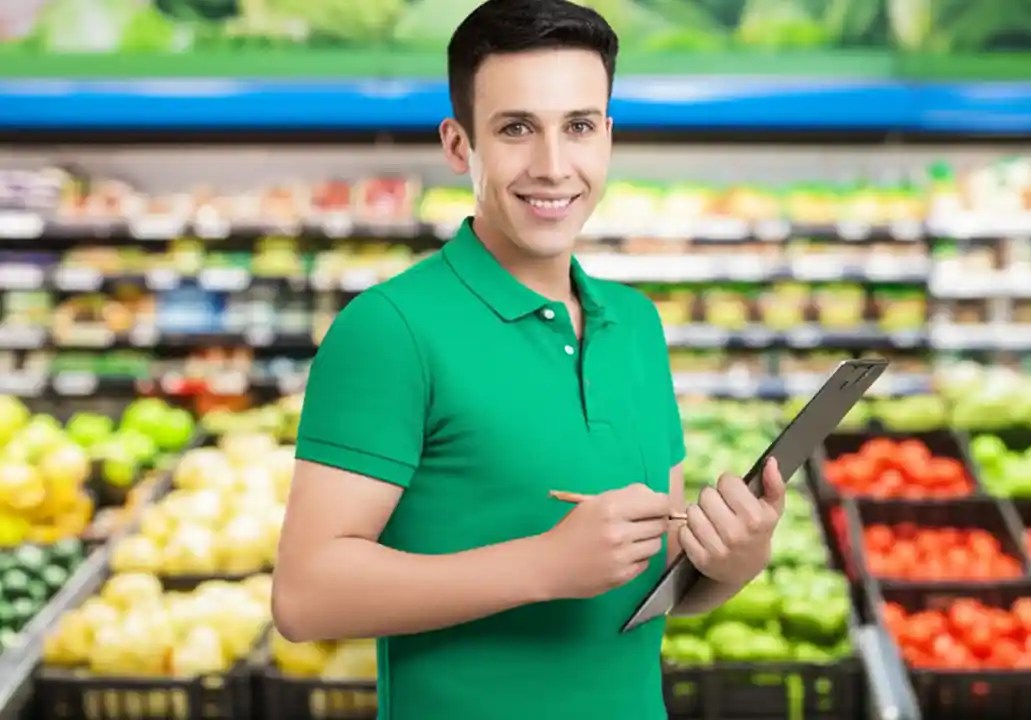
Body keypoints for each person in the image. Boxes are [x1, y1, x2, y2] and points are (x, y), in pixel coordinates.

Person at [270, 1, 787, 718]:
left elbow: (651, 581)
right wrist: (541, 566)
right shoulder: (389, 329)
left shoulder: (636, 324)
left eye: (578, 127)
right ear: (459, 146)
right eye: (517, 129)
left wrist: (730, 562)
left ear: (607, 136)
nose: (552, 167)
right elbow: (305, 596)